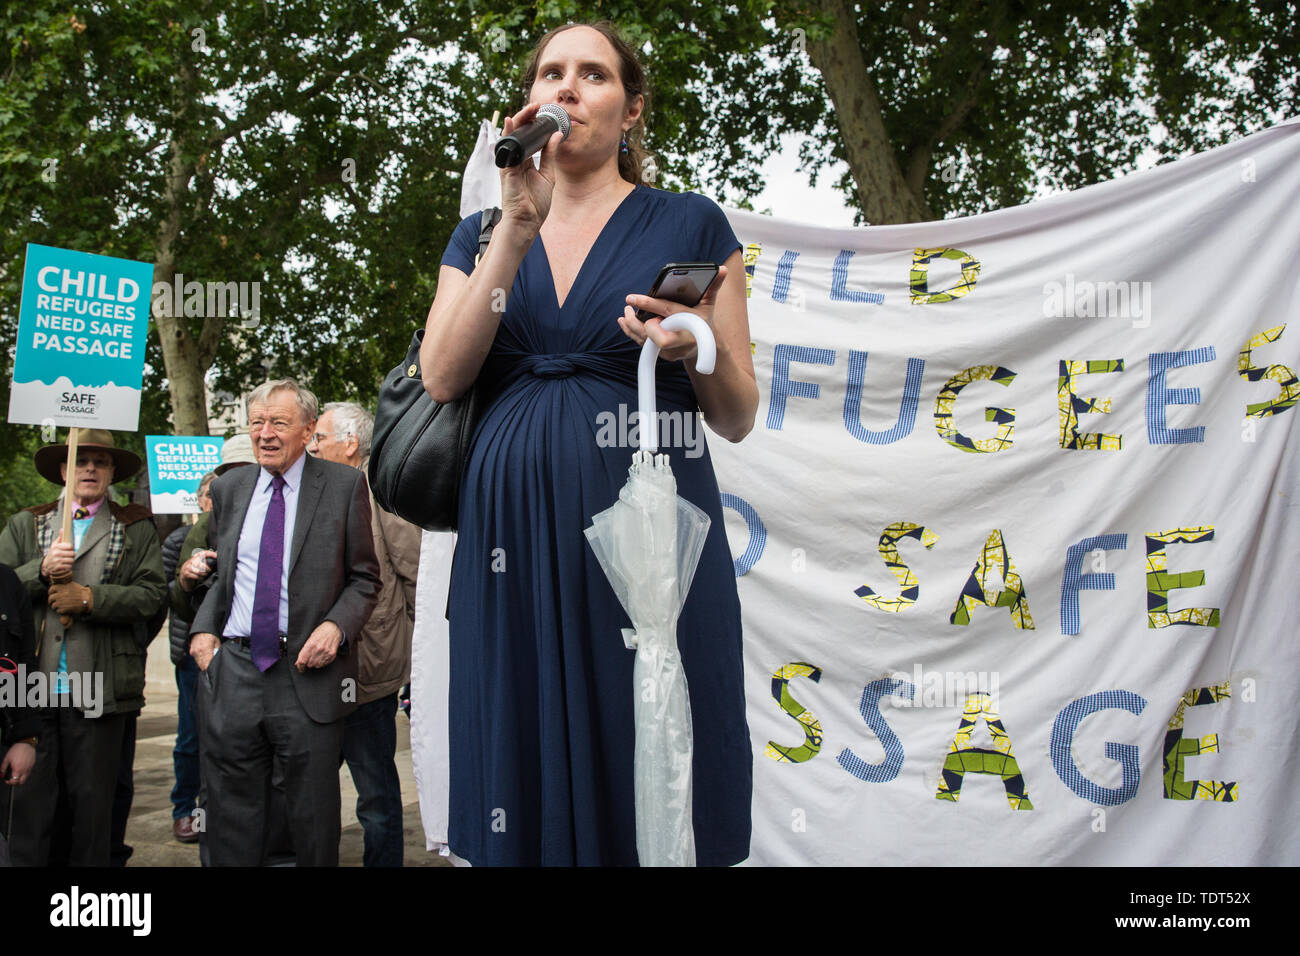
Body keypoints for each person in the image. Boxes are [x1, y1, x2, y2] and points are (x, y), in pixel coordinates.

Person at [421, 21, 757, 866]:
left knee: (644, 719)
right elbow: (443, 376)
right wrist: (515, 226)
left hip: (644, 533)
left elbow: (738, 411)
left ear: (631, 110)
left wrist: (696, 347)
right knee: (521, 738)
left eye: (593, 75)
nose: (567, 88)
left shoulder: (691, 222)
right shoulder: (480, 234)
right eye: (551, 74)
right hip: (510, 536)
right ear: (530, 105)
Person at [189, 379, 381, 866]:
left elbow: (364, 579)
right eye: (257, 422)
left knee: (311, 820)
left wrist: (336, 628)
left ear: (308, 428)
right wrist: (203, 632)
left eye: (279, 422)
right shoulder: (230, 489)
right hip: (233, 673)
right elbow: (224, 578)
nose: (265, 433)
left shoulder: (343, 486)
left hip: (306, 679)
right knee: (230, 813)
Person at [0, 429, 166, 866]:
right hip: (31, 687)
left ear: (112, 472)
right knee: (30, 809)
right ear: (63, 469)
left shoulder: (134, 525)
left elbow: (153, 596)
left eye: (100, 461)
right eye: (81, 460)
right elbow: (1, 592)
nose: (89, 468)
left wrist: (91, 599)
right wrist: (39, 571)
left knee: (93, 810)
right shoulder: (26, 523)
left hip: (96, 683)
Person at [309, 401, 420, 867]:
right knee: (310, 790)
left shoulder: (380, 490)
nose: (310, 446)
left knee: (374, 790)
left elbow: (413, 568)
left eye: (319, 438)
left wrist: (412, 653)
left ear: (350, 444)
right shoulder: (310, 490)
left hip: (367, 670)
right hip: (314, 672)